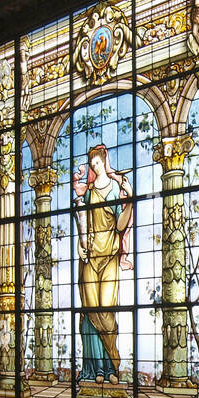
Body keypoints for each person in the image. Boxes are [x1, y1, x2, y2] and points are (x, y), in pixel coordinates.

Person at [73, 145, 133, 383]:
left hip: (109, 255)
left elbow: (120, 225)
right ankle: (95, 369)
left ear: (104, 161)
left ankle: (110, 367)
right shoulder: (88, 193)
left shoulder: (115, 188)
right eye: (91, 164)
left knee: (106, 309)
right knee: (89, 311)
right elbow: (83, 222)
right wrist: (80, 244)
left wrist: (129, 200)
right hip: (89, 257)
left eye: (96, 163)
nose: (93, 167)